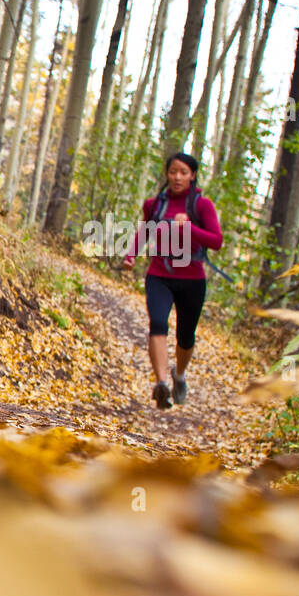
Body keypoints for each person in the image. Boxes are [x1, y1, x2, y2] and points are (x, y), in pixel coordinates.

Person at [122, 152, 223, 408]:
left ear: (193, 176)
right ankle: (162, 384)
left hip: (192, 279)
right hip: (159, 274)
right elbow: (145, 230)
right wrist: (131, 255)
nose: (177, 177)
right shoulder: (155, 204)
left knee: (185, 337)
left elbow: (216, 241)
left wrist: (189, 227)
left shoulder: (202, 206)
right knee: (157, 323)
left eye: (183, 172)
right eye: (173, 172)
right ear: (167, 174)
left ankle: (179, 375)